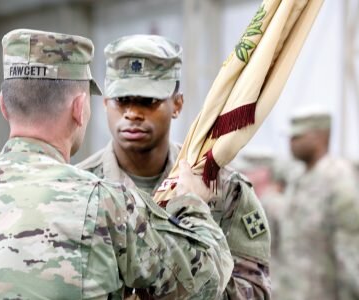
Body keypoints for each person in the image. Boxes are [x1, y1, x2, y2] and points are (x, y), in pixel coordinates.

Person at [0, 29, 234, 299]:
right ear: (80, 108)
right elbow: (203, 282)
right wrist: (191, 203)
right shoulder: (104, 202)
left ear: (3, 106)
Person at [77, 34, 271, 299]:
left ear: (177, 104)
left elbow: (255, 293)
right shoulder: (80, 188)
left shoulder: (223, 188)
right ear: (105, 103)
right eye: (122, 100)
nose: (132, 113)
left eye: (148, 101)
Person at [277, 107, 359, 299]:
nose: (291, 143)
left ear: (318, 137)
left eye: (297, 137)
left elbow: (349, 249)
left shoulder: (339, 178)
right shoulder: (297, 177)